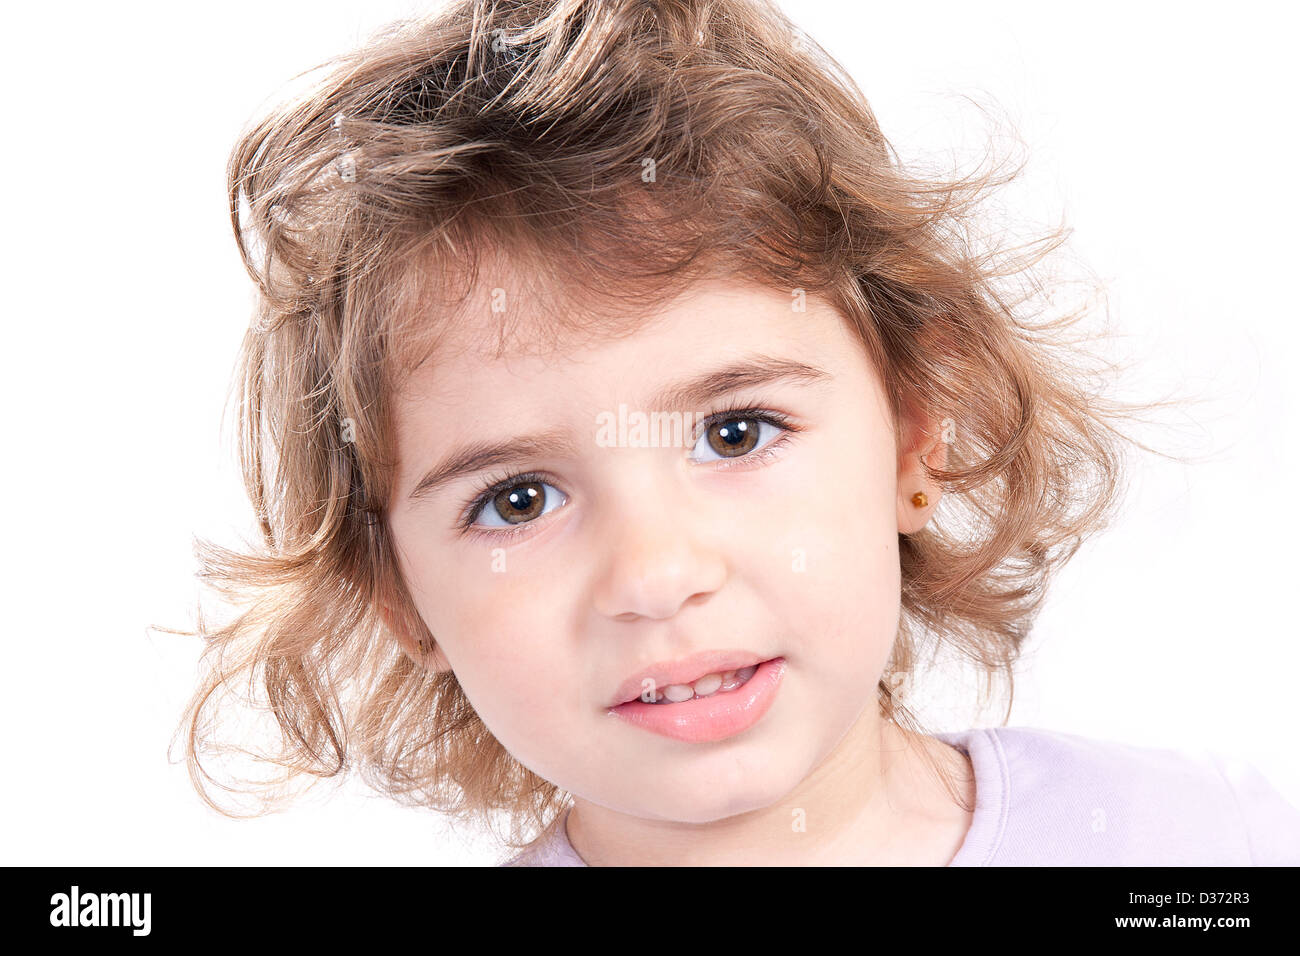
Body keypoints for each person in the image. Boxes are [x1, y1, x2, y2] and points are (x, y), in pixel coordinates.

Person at [175, 0, 1300, 865]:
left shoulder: (1197, 845)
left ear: (913, 432)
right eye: (517, 497)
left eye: (735, 431)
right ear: (401, 596)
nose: (658, 576)